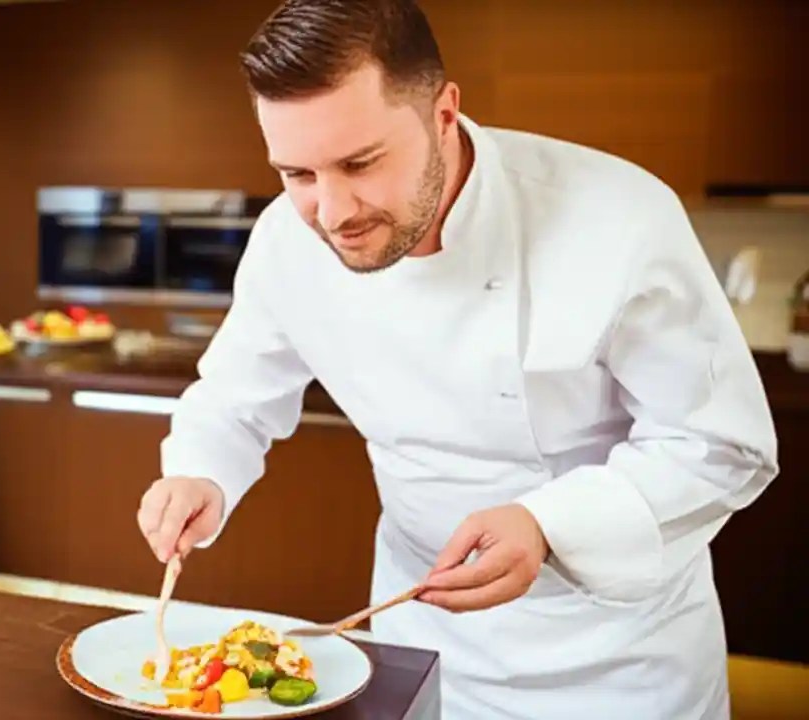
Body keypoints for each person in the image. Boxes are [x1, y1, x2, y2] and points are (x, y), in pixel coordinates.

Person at [135, 2, 777, 718]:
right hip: (422, 640)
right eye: (297, 173)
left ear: (444, 114)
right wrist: (200, 472)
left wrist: (548, 525)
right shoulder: (290, 238)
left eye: (360, 162)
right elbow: (233, 398)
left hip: (619, 661)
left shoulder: (617, 217)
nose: (332, 209)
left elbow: (724, 444)